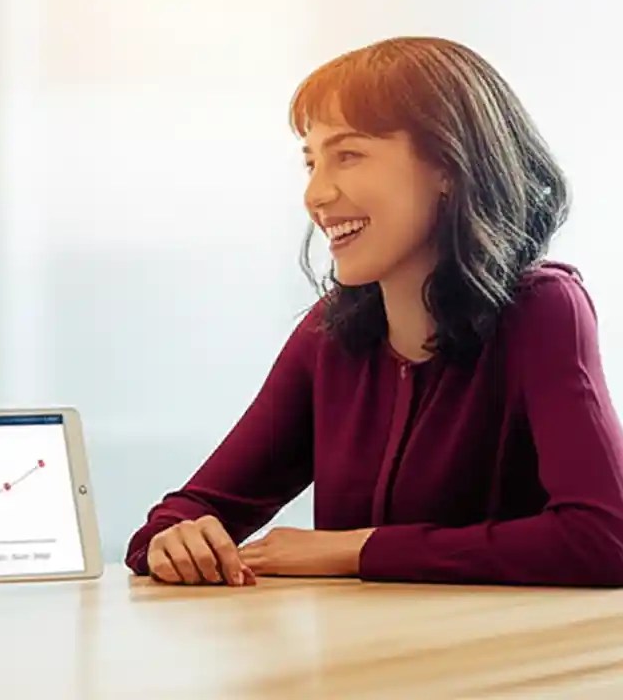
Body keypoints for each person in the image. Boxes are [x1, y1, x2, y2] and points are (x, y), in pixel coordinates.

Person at [126, 36, 623, 588]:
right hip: (366, 645)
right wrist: (176, 538)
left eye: (348, 155)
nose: (316, 194)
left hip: (499, 645)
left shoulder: (543, 310)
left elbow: (605, 539)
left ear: (448, 166)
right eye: (311, 163)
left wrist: (356, 549)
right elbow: (186, 514)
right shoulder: (329, 334)